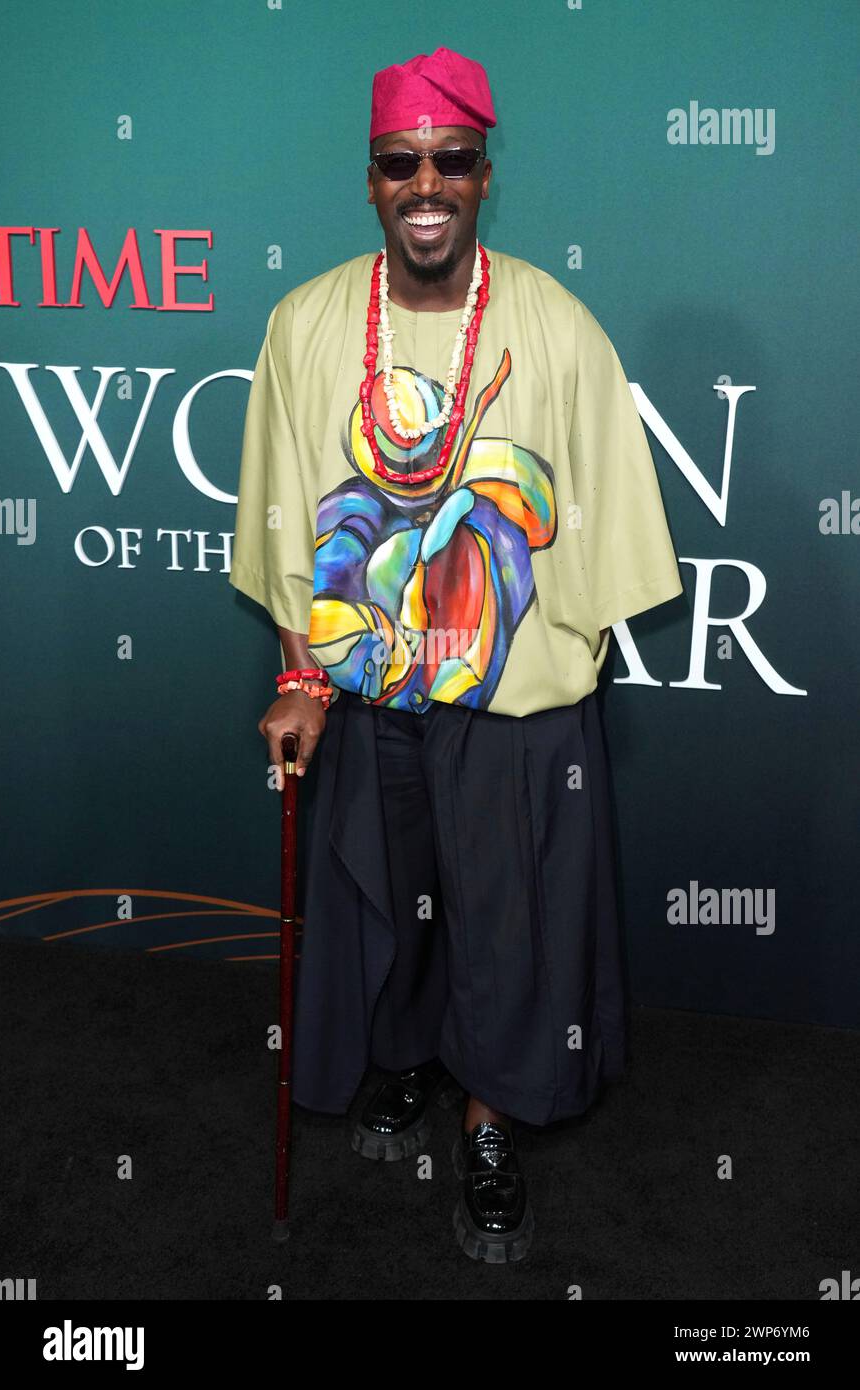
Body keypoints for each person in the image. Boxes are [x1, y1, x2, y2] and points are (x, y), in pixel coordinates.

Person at [229, 45, 683, 1264]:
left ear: (487, 173)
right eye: (401, 163)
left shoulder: (557, 326)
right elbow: (284, 518)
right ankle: (412, 1061)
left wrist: (544, 690)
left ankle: (489, 1122)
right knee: (391, 908)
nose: (426, 182)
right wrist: (300, 675)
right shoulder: (307, 321)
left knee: (506, 921)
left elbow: (600, 539)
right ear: (370, 180)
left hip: (514, 710)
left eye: (453, 159)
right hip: (368, 697)